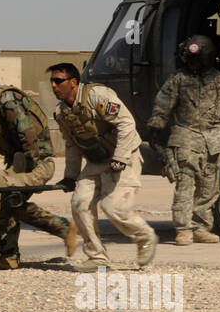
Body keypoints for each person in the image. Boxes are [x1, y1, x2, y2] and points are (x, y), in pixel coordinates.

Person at [0, 65, 77, 269]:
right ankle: (10, 256)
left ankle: (62, 229)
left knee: (12, 198)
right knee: (10, 201)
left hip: (37, 162)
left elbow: (27, 135)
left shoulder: (7, 101)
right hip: (18, 162)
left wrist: (29, 173)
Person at [47, 63, 158, 271]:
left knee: (113, 207)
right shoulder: (61, 112)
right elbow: (72, 144)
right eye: (52, 81)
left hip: (125, 156)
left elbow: (126, 123)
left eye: (58, 81)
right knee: (79, 204)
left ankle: (145, 238)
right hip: (97, 160)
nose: (53, 85)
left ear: (73, 82)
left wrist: (120, 158)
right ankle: (97, 256)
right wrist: (70, 176)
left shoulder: (98, 96)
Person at [146, 35, 220, 244]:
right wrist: (156, 130)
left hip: (214, 142)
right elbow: (162, 106)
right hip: (185, 139)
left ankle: (201, 227)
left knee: (208, 188)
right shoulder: (178, 80)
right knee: (185, 185)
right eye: (190, 60)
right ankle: (183, 229)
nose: (194, 64)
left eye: (198, 59)